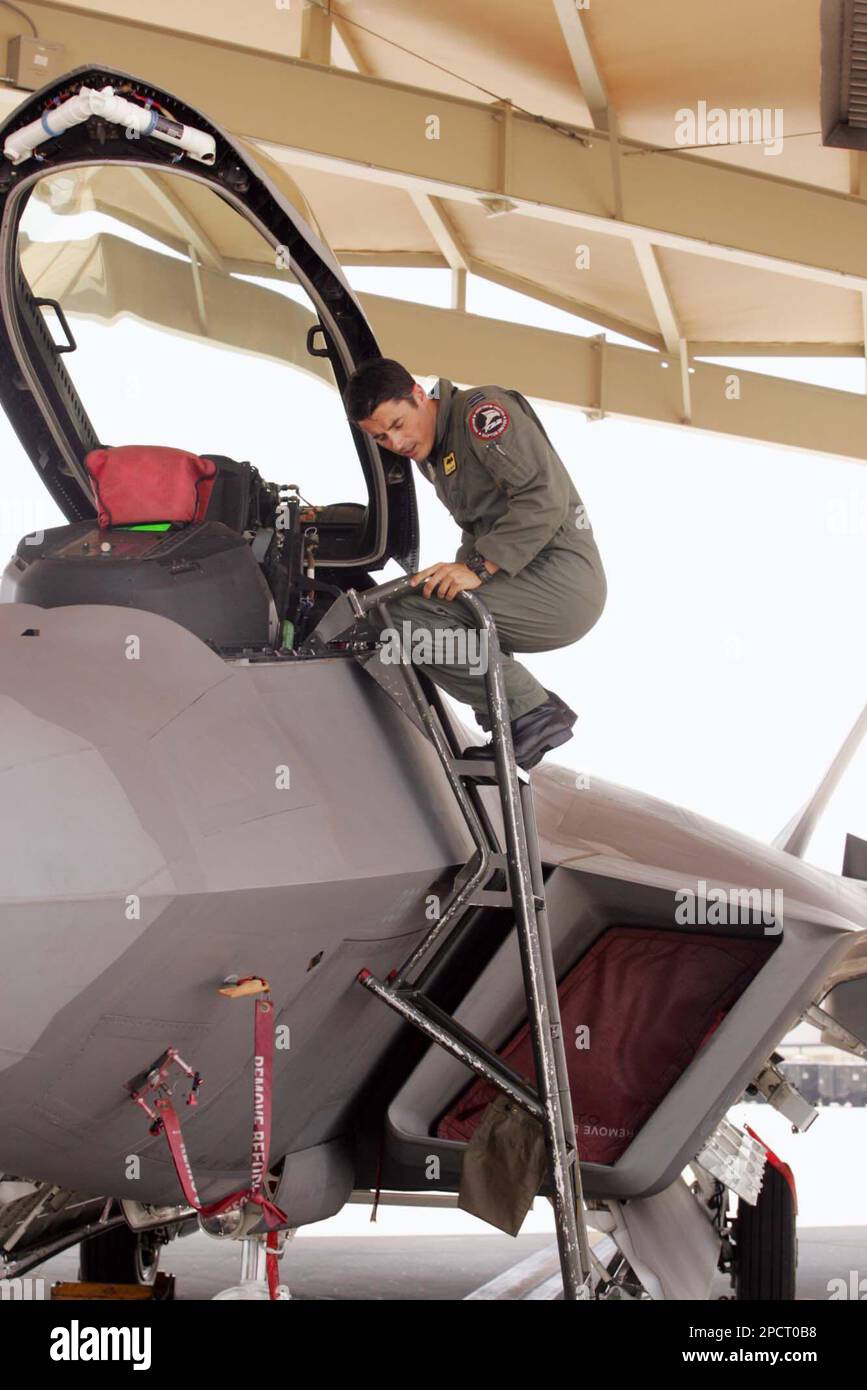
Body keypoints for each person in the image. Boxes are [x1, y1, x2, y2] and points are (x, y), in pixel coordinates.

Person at [343, 358, 607, 770]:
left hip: (560, 578)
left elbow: (542, 497)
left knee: (405, 613)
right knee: (403, 608)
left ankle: (530, 712)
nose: (394, 443)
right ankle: (513, 718)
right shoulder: (437, 451)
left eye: (397, 425)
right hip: (524, 574)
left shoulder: (481, 415)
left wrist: (478, 569)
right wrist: (460, 571)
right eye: (380, 438)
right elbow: (481, 526)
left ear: (417, 394)